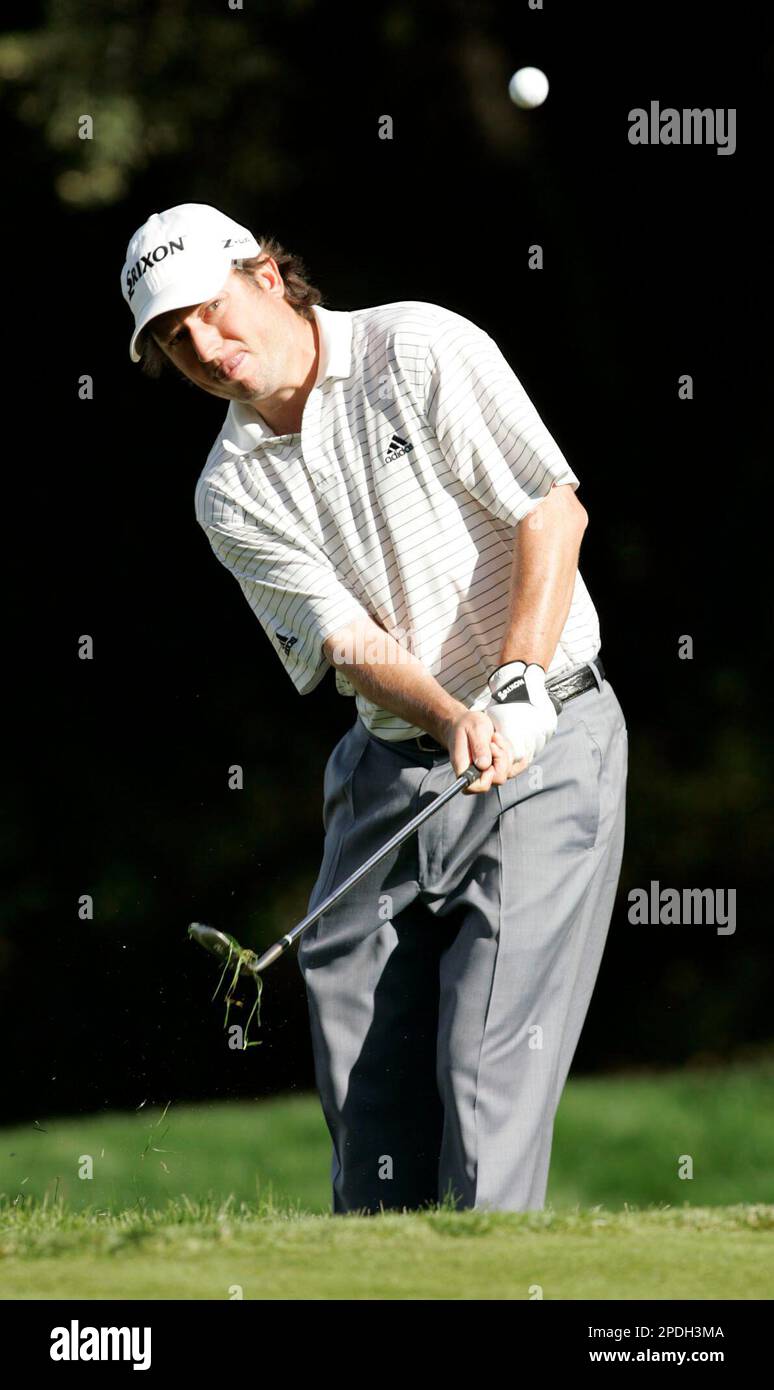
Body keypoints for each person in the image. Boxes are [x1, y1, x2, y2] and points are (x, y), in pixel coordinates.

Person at [121, 202, 628, 1214]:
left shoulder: (418, 347)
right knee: (363, 1080)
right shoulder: (229, 491)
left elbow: (551, 508)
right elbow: (346, 640)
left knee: (486, 1068)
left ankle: (492, 1287)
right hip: (392, 767)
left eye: (215, 313)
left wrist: (519, 681)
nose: (209, 350)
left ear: (268, 275)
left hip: (551, 739)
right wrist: (453, 717)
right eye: (177, 342)